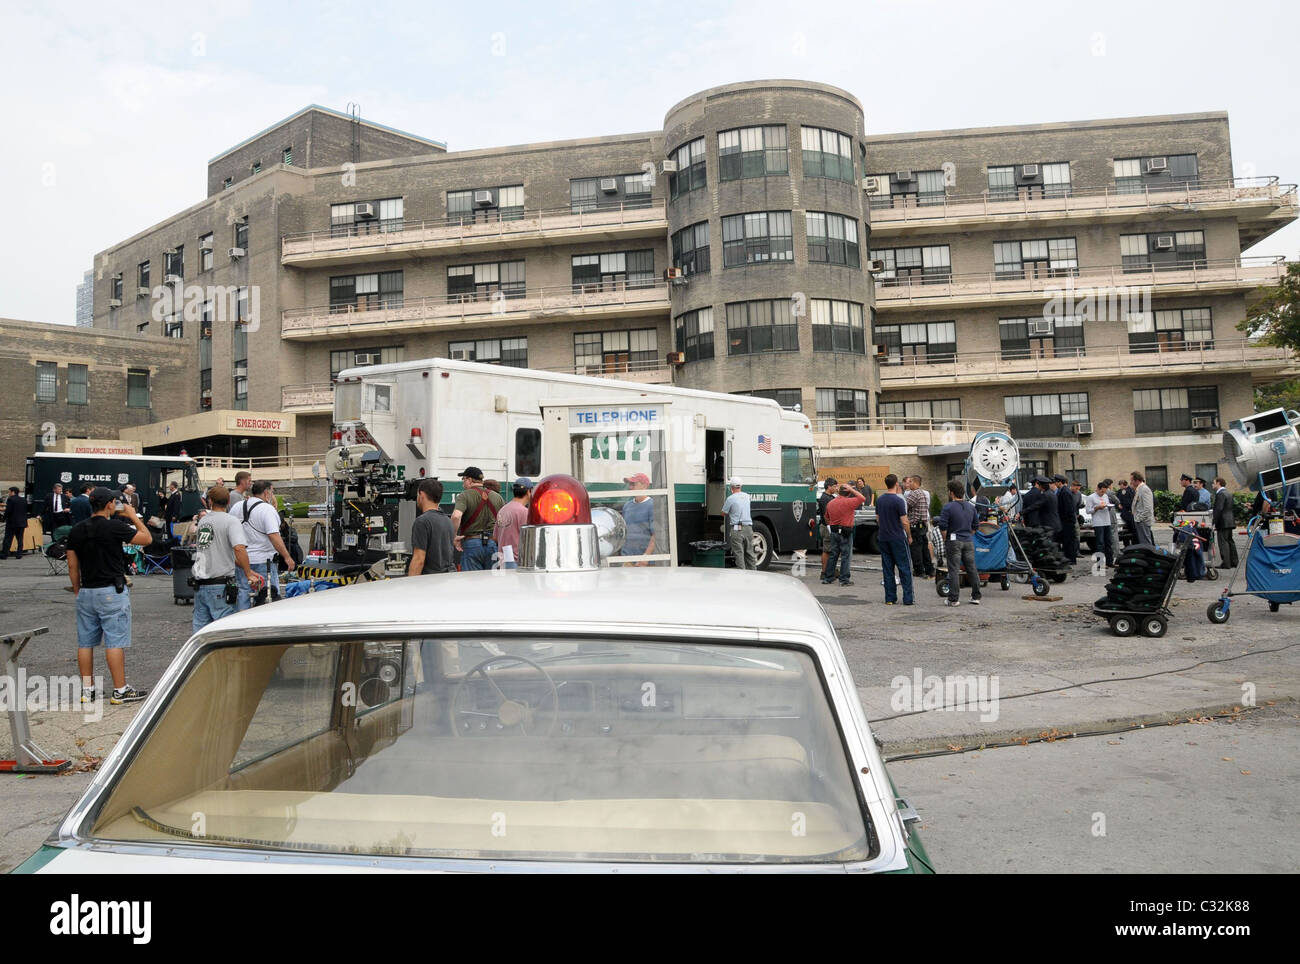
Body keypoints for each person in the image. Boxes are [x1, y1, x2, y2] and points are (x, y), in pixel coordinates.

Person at [66, 488, 153, 705]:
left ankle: (88, 690)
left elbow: (72, 565)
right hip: (111, 590)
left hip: (87, 590)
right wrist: (132, 515)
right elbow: (146, 539)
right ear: (109, 505)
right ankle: (120, 689)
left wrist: (78, 589)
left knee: (85, 642)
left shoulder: (76, 530)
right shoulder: (115, 526)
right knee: (114, 641)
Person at [191, 485, 262, 631]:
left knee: (201, 631)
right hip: (220, 585)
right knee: (224, 630)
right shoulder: (231, 521)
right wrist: (248, 572)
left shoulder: (204, 522)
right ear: (228, 501)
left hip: (201, 584)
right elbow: (238, 548)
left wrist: (244, 567)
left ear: (210, 501)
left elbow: (220, 553)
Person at [236, 480, 296, 608]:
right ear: (266, 493)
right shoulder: (267, 509)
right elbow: (273, 535)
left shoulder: (237, 507)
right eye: (272, 492)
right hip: (263, 561)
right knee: (268, 598)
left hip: (241, 561)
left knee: (244, 595)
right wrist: (287, 557)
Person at [450, 466, 505, 571]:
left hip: (472, 544)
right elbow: (503, 522)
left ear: (470, 480)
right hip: (492, 544)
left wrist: (454, 536)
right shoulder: (497, 497)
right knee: (492, 582)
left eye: (464, 479)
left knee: (472, 583)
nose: (463, 483)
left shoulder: (464, 495)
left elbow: (456, 516)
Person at [937, 479, 981, 607]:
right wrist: (967, 534)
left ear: (951, 493)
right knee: (972, 569)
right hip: (968, 540)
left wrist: (946, 539)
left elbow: (943, 527)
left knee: (954, 570)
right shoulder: (971, 507)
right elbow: (976, 526)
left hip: (954, 540)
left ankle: (953, 598)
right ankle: (976, 596)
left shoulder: (948, 507)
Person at [876, 474, 914, 605]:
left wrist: (884, 528)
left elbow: (878, 518)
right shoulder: (898, 500)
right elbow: (904, 521)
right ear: (896, 484)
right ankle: (908, 598)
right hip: (897, 537)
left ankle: (890, 598)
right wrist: (909, 536)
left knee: (887, 568)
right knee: (904, 568)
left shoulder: (880, 500)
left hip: (883, 537)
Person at [409, 478, 456, 575]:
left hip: (430, 581)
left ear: (421, 495)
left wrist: (410, 585)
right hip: (448, 577)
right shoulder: (447, 520)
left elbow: (419, 559)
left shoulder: (422, 522)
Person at [821, 481, 865, 586]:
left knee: (833, 554)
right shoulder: (849, 502)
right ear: (848, 493)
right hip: (846, 531)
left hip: (834, 531)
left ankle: (828, 577)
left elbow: (826, 517)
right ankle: (844, 579)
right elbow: (862, 498)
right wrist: (852, 489)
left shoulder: (831, 503)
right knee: (846, 556)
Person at [493, 478, 534, 568]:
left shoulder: (502, 510)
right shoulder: (524, 512)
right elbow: (530, 539)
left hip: (503, 560)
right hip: (518, 561)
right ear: (528, 492)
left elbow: (495, 537)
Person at [721, 476, 757, 570]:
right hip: (748, 527)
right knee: (750, 553)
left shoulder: (730, 499)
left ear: (731, 487)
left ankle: (742, 575)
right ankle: (754, 574)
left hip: (737, 527)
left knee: (739, 553)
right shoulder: (747, 496)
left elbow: (723, 513)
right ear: (741, 486)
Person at [619, 473, 656, 564]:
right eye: (630, 484)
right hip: (627, 558)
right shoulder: (627, 506)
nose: (630, 487)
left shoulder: (652, 505)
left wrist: (646, 556)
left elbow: (655, 535)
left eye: (633, 484)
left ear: (644, 485)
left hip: (643, 561)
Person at [904, 475, 934, 577]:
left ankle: (919, 570)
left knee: (916, 549)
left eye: (911, 482)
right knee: (924, 548)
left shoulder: (913, 494)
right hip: (923, 525)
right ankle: (929, 569)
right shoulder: (922, 493)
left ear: (916, 483)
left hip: (915, 525)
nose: (909, 484)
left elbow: (904, 507)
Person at [1084, 481, 1116, 568]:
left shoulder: (1105, 496)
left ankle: (1110, 561)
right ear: (1097, 489)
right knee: (1100, 543)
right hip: (1098, 523)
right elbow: (1088, 511)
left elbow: (1107, 504)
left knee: (1108, 542)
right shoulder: (1091, 497)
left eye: (1104, 492)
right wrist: (1097, 508)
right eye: (1101, 491)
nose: (1103, 494)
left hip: (1107, 521)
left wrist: (1108, 507)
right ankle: (1100, 563)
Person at [1212, 477, 1238, 569]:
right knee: (1230, 541)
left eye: (1213, 483)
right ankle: (1234, 561)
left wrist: (1214, 521)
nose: (1212, 485)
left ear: (1218, 483)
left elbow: (1218, 509)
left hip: (1223, 521)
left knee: (1223, 542)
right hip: (1230, 520)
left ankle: (1226, 563)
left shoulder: (1220, 494)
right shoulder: (1228, 493)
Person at [816, 477, 838, 580]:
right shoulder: (824, 498)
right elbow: (826, 515)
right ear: (829, 486)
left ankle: (831, 570)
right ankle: (824, 572)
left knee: (831, 550)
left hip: (829, 526)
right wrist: (830, 527)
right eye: (834, 486)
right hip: (826, 526)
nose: (836, 488)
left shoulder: (831, 497)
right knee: (827, 550)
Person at [1, 486, 28, 559]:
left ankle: (4, 554)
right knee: (20, 539)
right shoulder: (24, 500)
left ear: (12, 492)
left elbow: (8, 511)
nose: (9, 493)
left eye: (9, 492)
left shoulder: (11, 499)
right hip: (22, 522)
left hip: (12, 523)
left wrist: (3, 519)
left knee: (8, 539)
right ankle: (19, 554)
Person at [1131, 471, 1155, 547]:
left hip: (1143, 521)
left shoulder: (1144, 489)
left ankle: (1149, 557)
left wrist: (1139, 518)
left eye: (1132, 480)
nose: (1131, 482)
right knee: (1143, 542)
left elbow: (1148, 508)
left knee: (1146, 543)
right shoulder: (1139, 488)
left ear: (1137, 480)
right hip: (1140, 520)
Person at [1115, 477, 1136, 545]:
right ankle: (1126, 545)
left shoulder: (1130, 490)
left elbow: (1130, 502)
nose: (1120, 487)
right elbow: (1116, 500)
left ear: (1123, 484)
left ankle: (1133, 544)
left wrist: (1122, 505)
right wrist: (1118, 505)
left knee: (1132, 530)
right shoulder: (1119, 491)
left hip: (1128, 513)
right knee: (1125, 531)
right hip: (1123, 513)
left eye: (1120, 485)